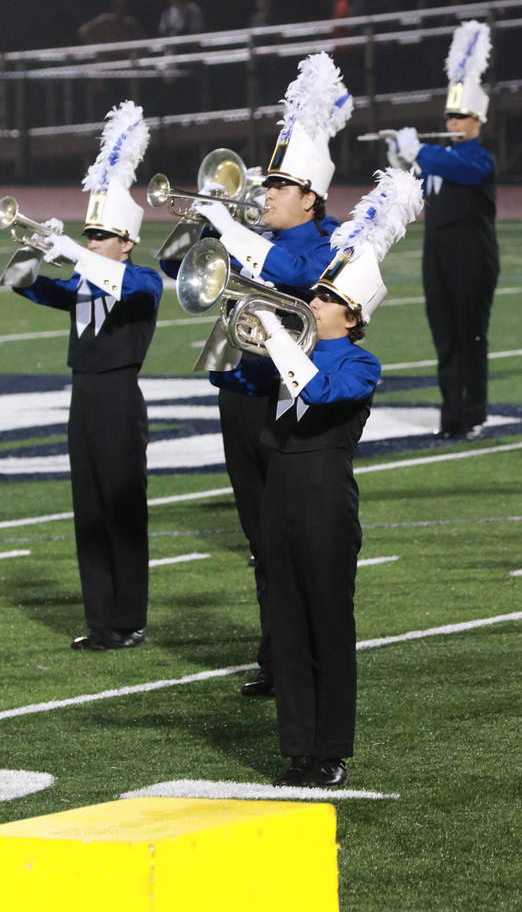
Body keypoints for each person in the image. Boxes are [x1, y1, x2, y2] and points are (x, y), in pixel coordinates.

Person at [209, 168, 423, 787]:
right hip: (279, 494)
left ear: (351, 316)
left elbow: (322, 392)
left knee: (329, 624)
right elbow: (235, 373)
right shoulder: (291, 346)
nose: (314, 302)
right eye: (317, 295)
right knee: (291, 624)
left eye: (326, 299)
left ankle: (330, 749)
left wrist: (277, 337)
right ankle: (296, 749)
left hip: (326, 502)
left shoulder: (360, 360)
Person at [174, 53, 353, 696]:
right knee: (259, 538)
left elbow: (292, 275)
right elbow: (186, 274)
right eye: (267, 186)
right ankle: (276, 656)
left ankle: (296, 656)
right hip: (237, 393)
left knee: (287, 538)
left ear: (310, 196)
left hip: (284, 403)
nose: (265, 194)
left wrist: (229, 226)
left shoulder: (326, 242)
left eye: (279, 187)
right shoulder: (255, 231)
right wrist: (207, 221)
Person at [5, 102, 162, 650]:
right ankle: (100, 622)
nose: (92, 241)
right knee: (89, 509)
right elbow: (26, 285)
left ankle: (129, 620)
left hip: (120, 398)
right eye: (89, 233)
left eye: (101, 235)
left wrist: (72, 252)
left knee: (123, 507)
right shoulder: (85, 279)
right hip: (84, 397)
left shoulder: (143, 281)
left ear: (126, 240)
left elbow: (128, 289)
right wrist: (31, 246)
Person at [384, 20, 498, 441]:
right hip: (438, 254)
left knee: (470, 334)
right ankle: (451, 417)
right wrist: (402, 162)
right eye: (449, 113)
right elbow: (416, 187)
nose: (452, 120)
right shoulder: (438, 158)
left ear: (477, 121)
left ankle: (473, 413)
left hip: (472, 256)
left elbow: (459, 168)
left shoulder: (478, 159)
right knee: (444, 335)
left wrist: (420, 151)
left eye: (461, 115)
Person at [79, 0, 145, 50]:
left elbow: (143, 43)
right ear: (115, 6)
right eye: (120, 6)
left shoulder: (130, 24)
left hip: (125, 60)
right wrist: (99, 47)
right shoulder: (105, 20)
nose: (123, 9)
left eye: (125, 6)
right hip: (107, 61)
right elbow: (83, 30)